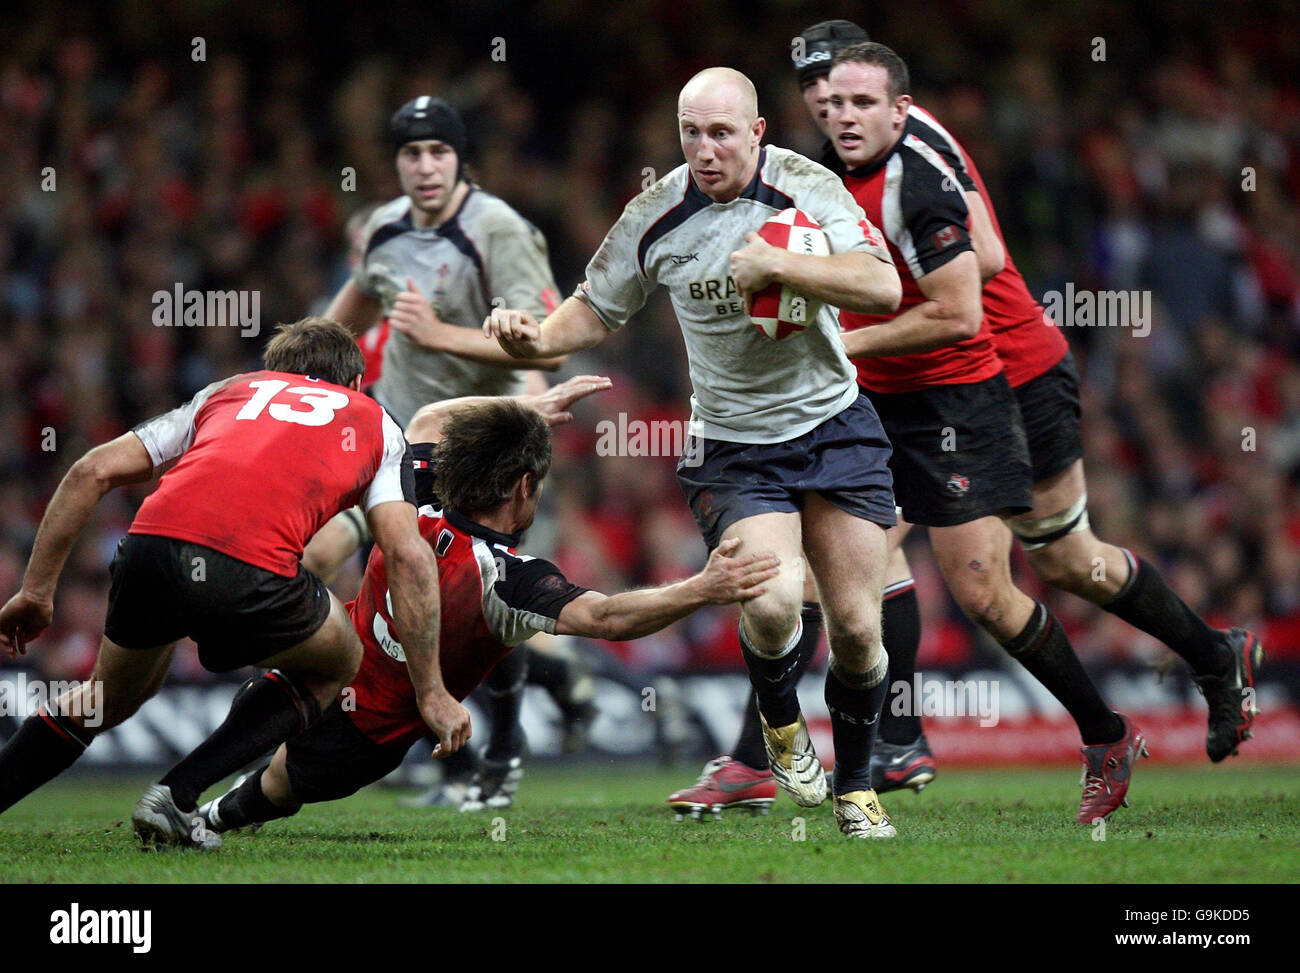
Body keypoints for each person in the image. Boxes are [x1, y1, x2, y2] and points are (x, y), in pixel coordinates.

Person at [487, 67, 908, 839]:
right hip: (735, 445)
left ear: (757, 133)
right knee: (775, 602)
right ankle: (781, 728)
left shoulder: (806, 187)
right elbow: (595, 303)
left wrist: (780, 265)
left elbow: (881, 287)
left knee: (856, 629)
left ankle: (855, 788)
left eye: (722, 133)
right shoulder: (658, 211)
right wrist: (538, 337)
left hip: (836, 426)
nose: (705, 150)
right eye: (691, 132)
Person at [194, 396, 780, 835]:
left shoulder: (414, 501)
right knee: (276, 786)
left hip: (324, 660)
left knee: (254, 738)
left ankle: (183, 799)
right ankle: (210, 816)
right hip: (366, 735)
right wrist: (705, 587)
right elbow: (607, 618)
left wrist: (521, 411)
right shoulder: (511, 578)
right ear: (524, 486)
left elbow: (426, 420)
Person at [825, 41, 1153, 823]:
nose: (843, 116)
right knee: (847, 564)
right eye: (833, 102)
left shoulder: (923, 183)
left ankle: (1105, 733)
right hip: (885, 401)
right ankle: (877, 755)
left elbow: (960, 312)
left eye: (862, 103)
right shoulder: (827, 181)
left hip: (958, 404)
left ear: (900, 111)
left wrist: (838, 342)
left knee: (985, 593)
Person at [0, 317, 467, 849]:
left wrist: (35, 592)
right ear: (356, 382)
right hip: (248, 569)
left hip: (149, 548)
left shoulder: (228, 390)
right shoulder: (375, 421)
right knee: (339, 659)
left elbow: (89, 470)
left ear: (273, 373)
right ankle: (178, 795)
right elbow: (407, 554)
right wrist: (431, 691)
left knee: (103, 699)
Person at [309, 95, 589, 809]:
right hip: (397, 440)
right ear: (395, 162)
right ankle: (337, 704)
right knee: (313, 560)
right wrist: (290, 370)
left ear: (461, 158)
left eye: (439, 152)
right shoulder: (381, 229)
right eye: (412, 153)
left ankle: (495, 747)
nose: (426, 166)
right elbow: (352, 314)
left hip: (479, 442)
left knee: (472, 605)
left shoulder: (498, 229)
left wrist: (443, 338)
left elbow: (543, 335)